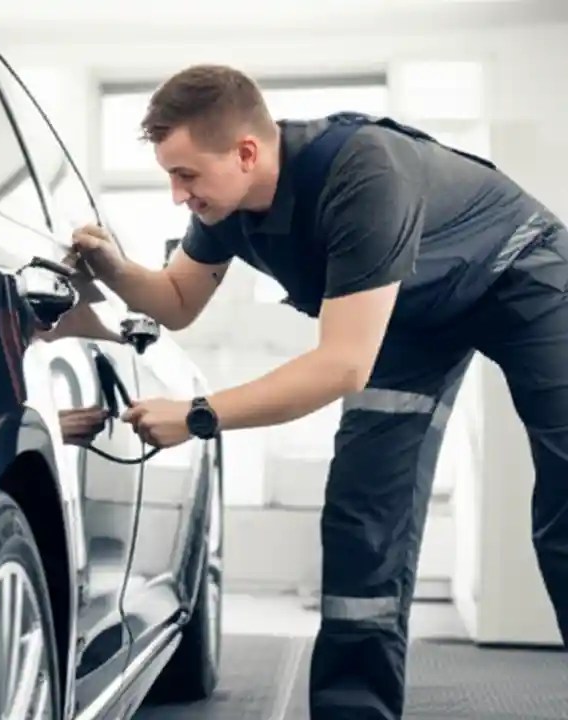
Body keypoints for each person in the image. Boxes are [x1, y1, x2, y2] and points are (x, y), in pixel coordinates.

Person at [70, 63, 568, 719]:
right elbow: (178, 299)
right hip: (409, 316)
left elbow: (341, 365)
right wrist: (114, 269)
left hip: (520, 272)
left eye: (186, 175)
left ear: (246, 151)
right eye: (169, 175)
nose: (176, 194)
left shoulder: (362, 174)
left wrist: (198, 416)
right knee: (364, 511)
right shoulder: (226, 205)